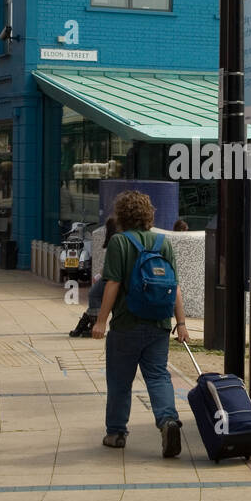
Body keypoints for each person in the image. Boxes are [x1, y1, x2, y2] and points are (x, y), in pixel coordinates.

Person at [91, 191, 189, 456]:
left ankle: (116, 433)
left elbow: (113, 283)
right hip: (159, 324)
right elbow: (175, 287)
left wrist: (101, 321)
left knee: (120, 380)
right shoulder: (162, 242)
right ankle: (168, 421)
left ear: (121, 215)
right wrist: (181, 323)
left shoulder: (120, 242)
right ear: (149, 214)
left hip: (126, 324)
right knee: (158, 377)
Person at [71, 217, 118, 337]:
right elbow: (109, 263)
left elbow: (111, 265)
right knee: (95, 294)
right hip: (109, 275)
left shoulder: (117, 241)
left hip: (111, 276)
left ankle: (90, 323)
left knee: (95, 294)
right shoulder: (116, 241)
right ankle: (87, 323)